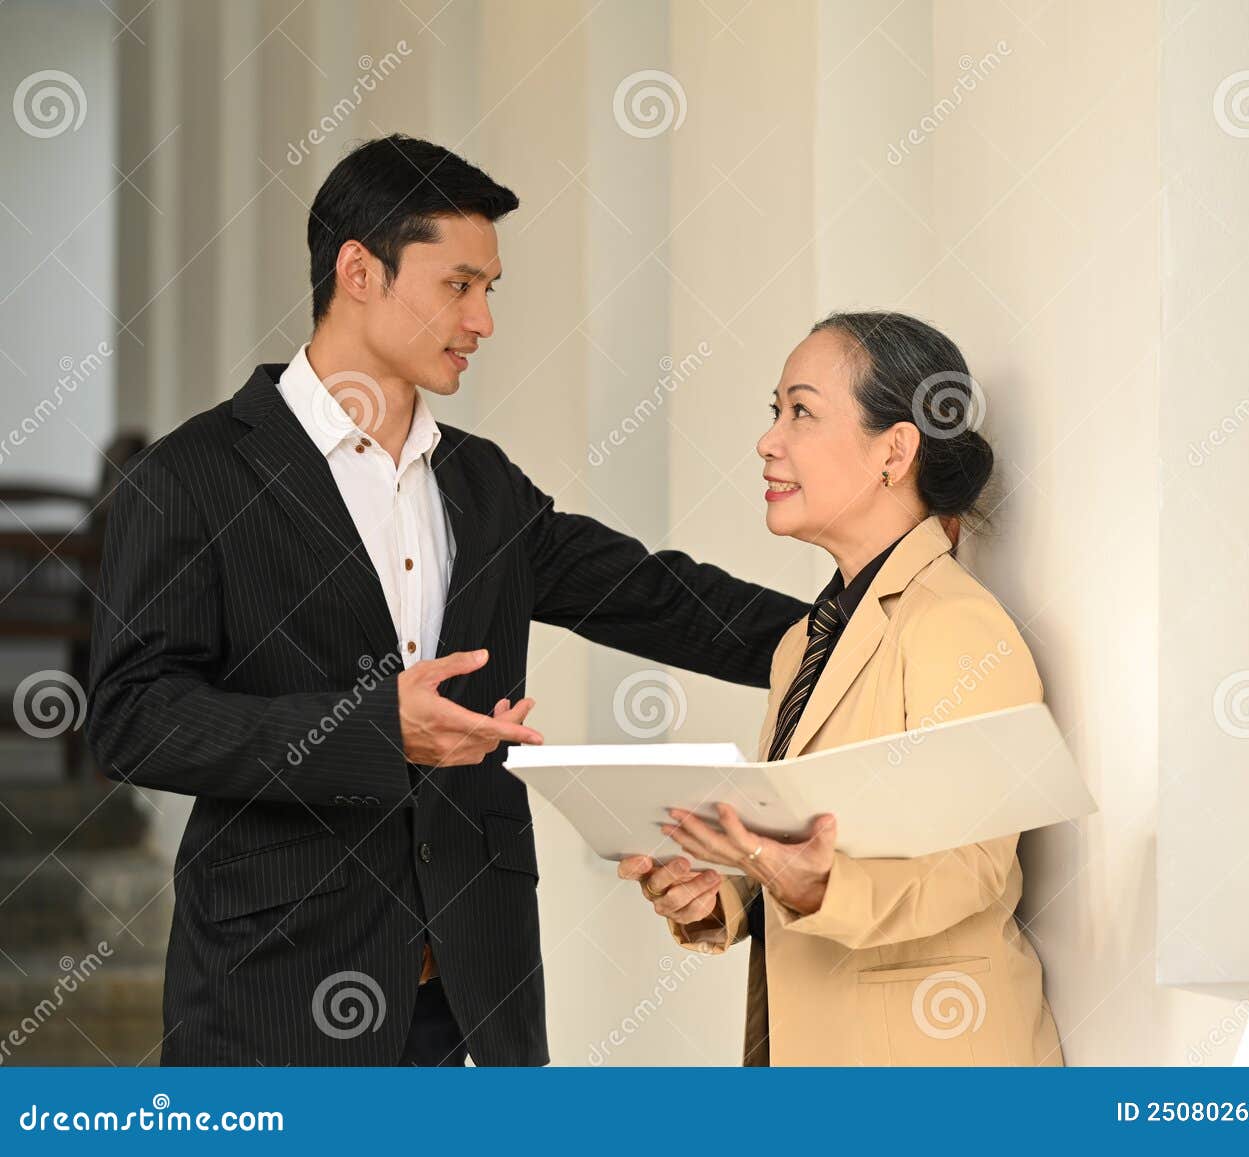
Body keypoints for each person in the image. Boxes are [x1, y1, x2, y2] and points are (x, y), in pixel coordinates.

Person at [85, 134, 808, 1066]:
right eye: (458, 285)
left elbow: (654, 595)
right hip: (274, 990)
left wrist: (849, 627)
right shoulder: (191, 475)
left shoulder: (483, 483)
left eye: (489, 290)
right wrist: (374, 731)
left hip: (477, 990)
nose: (483, 320)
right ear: (358, 270)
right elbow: (132, 718)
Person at [619, 311, 1061, 1066]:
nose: (768, 440)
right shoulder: (805, 641)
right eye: (775, 411)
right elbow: (805, 844)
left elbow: (974, 868)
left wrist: (818, 885)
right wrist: (720, 893)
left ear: (895, 449)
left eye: (801, 411)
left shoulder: (955, 623)